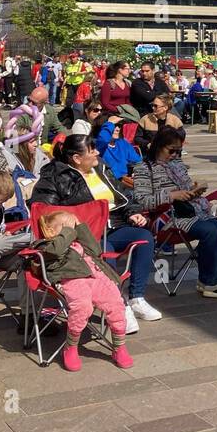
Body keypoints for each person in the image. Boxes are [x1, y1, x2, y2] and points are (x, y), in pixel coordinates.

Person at [30, 134, 162, 332]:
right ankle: (118, 305)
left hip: (115, 224)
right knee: (102, 254)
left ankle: (137, 297)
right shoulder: (55, 176)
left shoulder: (99, 167)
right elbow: (44, 210)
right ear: (76, 158)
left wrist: (132, 212)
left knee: (145, 238)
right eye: (92, 150)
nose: (98, 152)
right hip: (86, 234)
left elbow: (121, 195)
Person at [129, 128, 217, 300]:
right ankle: (209, 281)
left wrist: (194, 190)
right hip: (165, 217)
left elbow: (186, 188)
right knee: (209, 230)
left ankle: (216, 282)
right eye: (171, 150)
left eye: (178, 151)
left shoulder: (178, 164)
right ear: (159, 146)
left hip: (188, 210)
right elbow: (142, 200)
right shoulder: (144, 168)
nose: (174, 154)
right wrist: (171, 195)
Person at [32, 209, 134, 371]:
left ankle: (119, 347)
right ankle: (71, 347)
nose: (71, 229)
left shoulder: (78, 243)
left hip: (96, 276)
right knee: (82, 307)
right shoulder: (46, 245)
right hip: (71, 279)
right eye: (66, 226)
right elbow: (56, 251)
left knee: (116, 303)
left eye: (72, 226)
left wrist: (80, 227)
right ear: (50, 230)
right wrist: (68, 231)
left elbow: (96, 251)